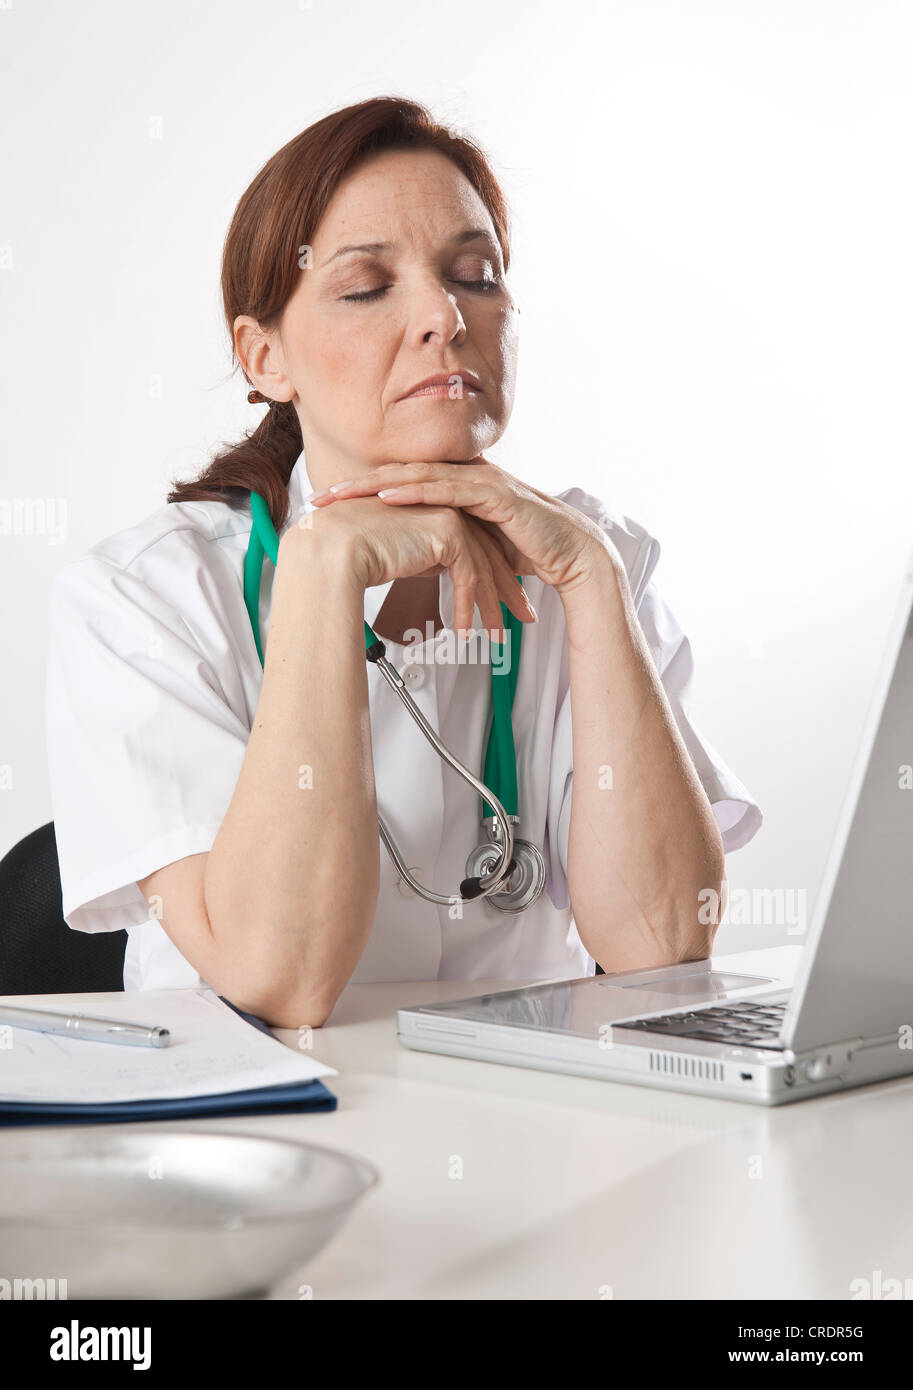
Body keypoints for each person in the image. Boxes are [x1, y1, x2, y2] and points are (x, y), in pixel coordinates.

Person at [45, 96, 762, 1028]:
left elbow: (661, 950)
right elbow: (276, 985)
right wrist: (317, 578)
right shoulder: (141, 598)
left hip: (534, 1127)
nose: (443, 316)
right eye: (366, 287)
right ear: (264, 359)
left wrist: (590, 587)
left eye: (475, 276)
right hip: (247, 1137)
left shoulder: (594, 563)